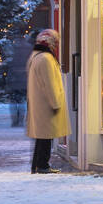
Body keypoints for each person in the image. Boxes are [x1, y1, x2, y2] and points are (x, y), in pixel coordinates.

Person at [26, 29, 69, 173]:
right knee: (45, 136)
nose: (56, 45)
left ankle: (37, 165)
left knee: (42, 137)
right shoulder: (46, 59)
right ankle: (42, 165)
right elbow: (49, 84)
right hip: (46, 104)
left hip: (40, 103)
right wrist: (55, 102)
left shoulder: (36, 56)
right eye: (55, 42)